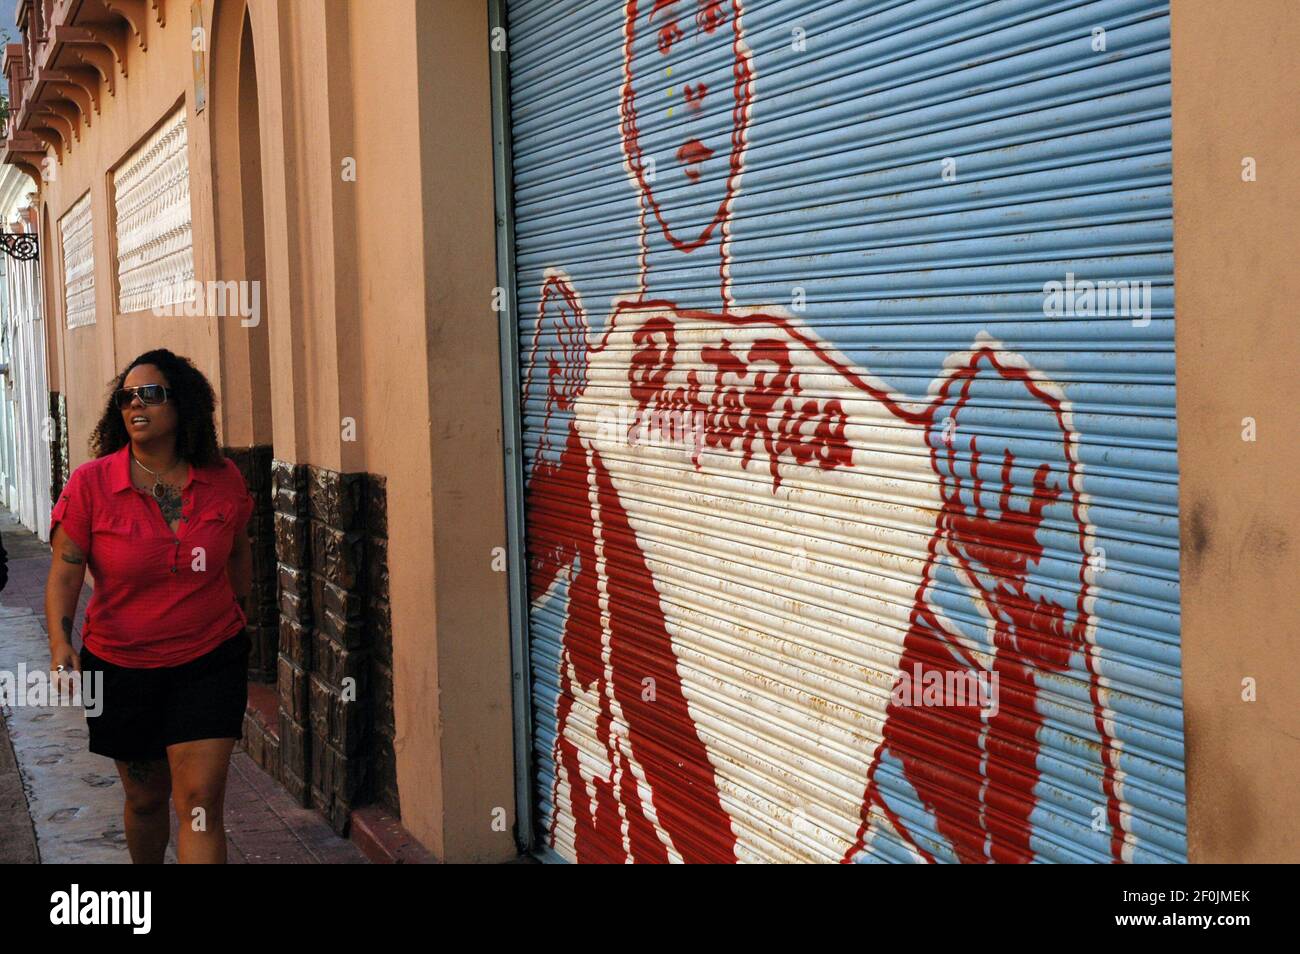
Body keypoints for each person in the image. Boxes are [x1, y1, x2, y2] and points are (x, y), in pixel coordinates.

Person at [44, 348, 255, 864]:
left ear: (182, 404)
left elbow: (240, 551)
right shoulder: (92, 483)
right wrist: (59, 644)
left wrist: (241, 615)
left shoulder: (222, 477)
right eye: (126, 397)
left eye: (151, 394)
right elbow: (66, 570)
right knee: (144, 799)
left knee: (200, 801)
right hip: (119, 667)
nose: (136, 404)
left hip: (209, 660)